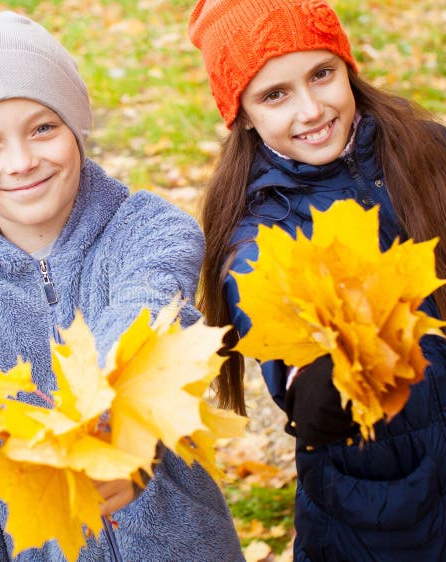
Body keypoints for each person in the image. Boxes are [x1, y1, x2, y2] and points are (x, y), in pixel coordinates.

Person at [0, 10, 244, 561]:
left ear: (77, 127)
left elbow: (151, 309)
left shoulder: (150, 228)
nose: (21, 162)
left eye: (43, 128)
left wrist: (116, 426)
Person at [189, 0, 446, 560]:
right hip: (380, 511)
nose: (310, 109)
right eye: (274, 94)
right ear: (242, 114)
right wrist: (320, 379)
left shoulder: (428, 154)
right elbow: (292, 368)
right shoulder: (259, 241)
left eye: (321, 74)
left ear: (347, 67)